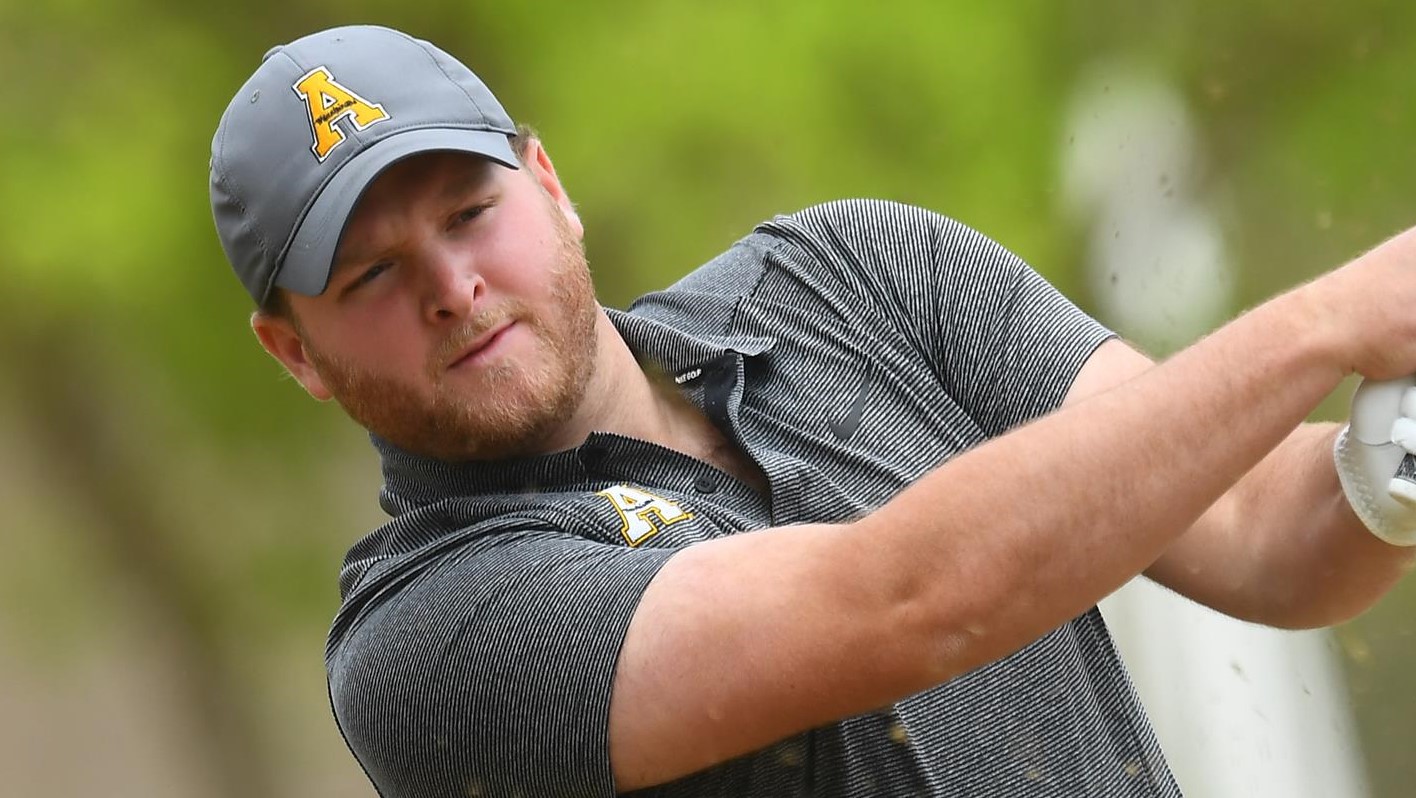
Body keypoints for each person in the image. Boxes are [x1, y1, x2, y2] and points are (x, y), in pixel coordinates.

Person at [210, 23, 1416, 798]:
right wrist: (1330, 320)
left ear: (548, 184)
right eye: (371, 276)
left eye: (471, 214)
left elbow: (1260, 529)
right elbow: (910, 602)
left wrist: (1396, 441)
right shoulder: (427, 642)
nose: (451, 288)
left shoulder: (858, 274)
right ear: (293, 353)